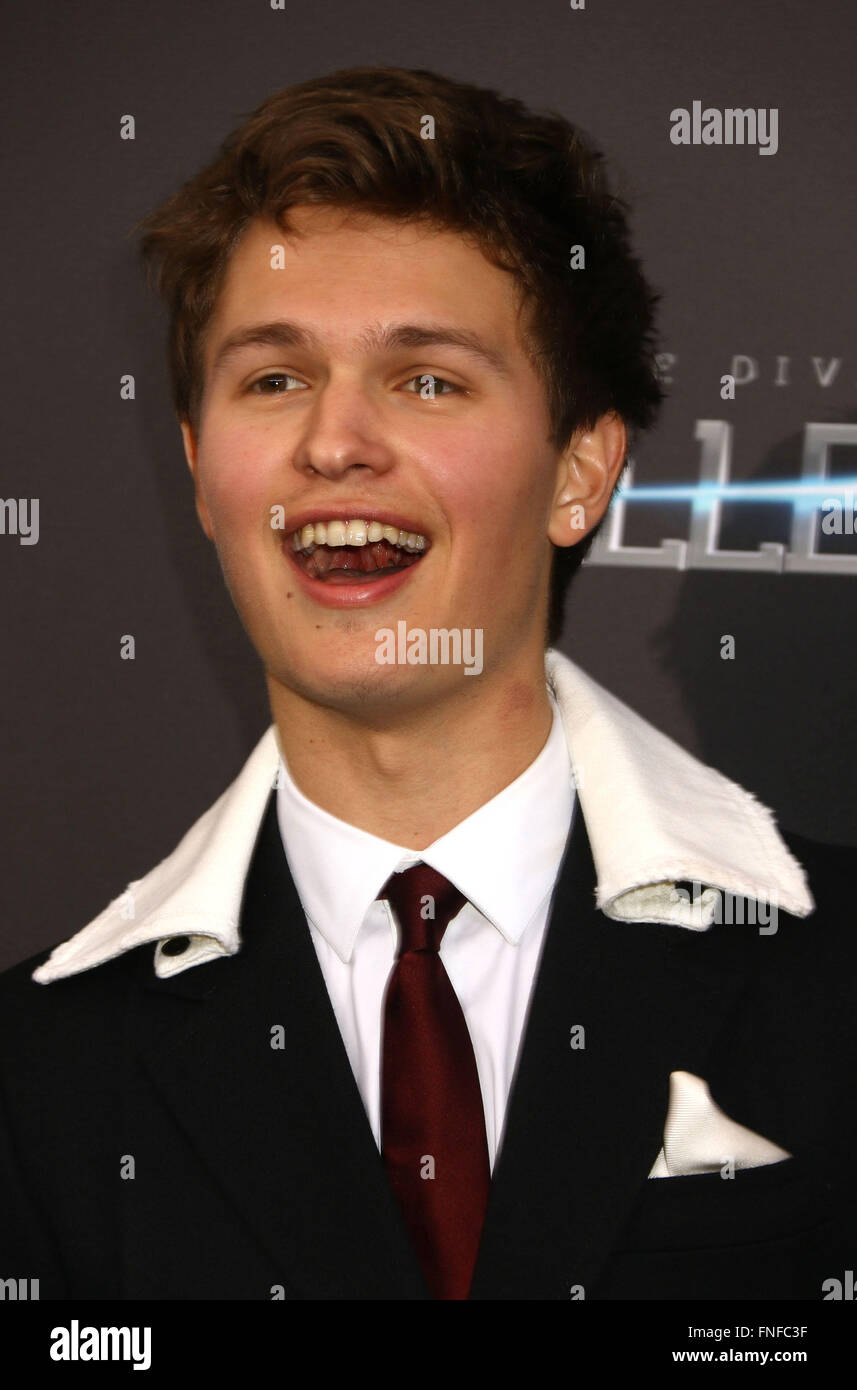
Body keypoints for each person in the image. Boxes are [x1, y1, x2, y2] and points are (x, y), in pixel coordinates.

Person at [1, 66, 854, 1302]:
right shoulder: (38, 1076)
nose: (334, 441)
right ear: (198, 469)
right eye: (274, 378)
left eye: (427, 378)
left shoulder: (831, 984)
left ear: (578, 470)